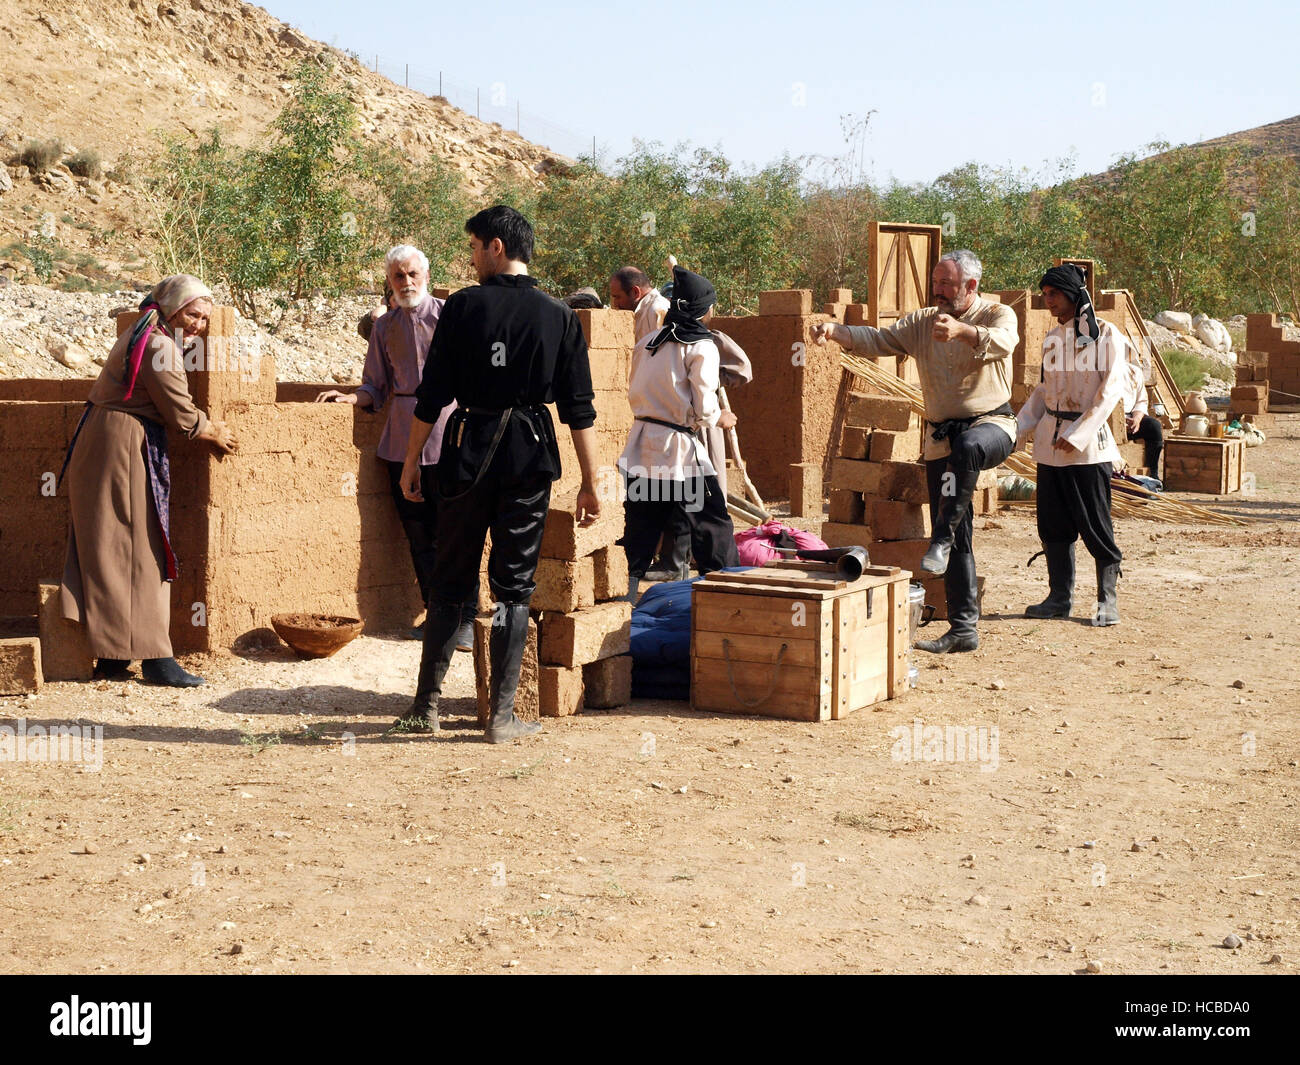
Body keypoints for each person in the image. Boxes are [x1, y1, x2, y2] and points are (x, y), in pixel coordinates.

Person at [398, 206, 601, 741]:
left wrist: (414, 459)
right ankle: (502, 718)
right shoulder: (559, 316)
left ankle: (426, 708)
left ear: (494, 247)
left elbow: (432, 393)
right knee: (514, 587)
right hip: (529, 456)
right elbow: (578, 409)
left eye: (472, 247)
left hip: (466, 451)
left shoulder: (463, 306)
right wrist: (591, 482)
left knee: (451, 577)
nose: (470, 259)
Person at [815, 249, 1018, 654]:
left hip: (992, 426)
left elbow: (1006, 343)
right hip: (942, 437)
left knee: (968, 449)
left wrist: (963, 333)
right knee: (960, 532)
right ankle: (963, 629)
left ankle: (937, 539)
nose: (939, 291)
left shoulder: (996, 315)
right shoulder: (924, 321)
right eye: (936, 283)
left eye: (948, 284)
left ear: (971, 287)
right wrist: (836, 331)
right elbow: (879, 339)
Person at [58, 275, 238, 686]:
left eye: (205, 319)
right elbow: (181, 413)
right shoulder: (160, 346)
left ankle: (114, 655)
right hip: (120, 446)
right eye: (193, 314)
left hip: (106, 441)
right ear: (173, 308)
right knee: (142, 548)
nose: (199, 325)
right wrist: (213, 429)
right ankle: (157, 657)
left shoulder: (145, 332)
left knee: (111, 548)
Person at [316, 246, 476, 647]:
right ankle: (437, 618)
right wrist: (353, 398)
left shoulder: (450, 316)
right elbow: (375, 384)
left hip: (449, 437)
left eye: (412, 275)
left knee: (456, 534)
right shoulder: (385, 327)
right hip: (401, 441)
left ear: (425, 274)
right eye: (398, 277)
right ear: (389, 283)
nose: (406, 283)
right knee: (418, 534)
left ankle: (467, 620)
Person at [619, 266, 740, 601]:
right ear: (703, 309)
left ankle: (625, 597)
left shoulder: (646, 342)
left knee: (642, 524)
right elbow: (703, 408)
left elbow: (636, 391)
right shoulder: (702, 346)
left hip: (642, 448)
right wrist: (720, 418)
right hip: (679, 455)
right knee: (712, 524)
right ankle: (727, 594)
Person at [1017, 264, 1129, 625]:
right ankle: (1058, 598)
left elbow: (1110, 391)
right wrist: (1016, 429)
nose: (1048, 300)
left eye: (1054, 293)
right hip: (1051, 445)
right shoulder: (1051, 338)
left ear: (1073, 294)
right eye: (1045, 294)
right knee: (1052, 524)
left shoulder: (1108, 337)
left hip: (1088, 447)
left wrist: (1079, 434)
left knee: (1095, 524)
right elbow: (1043, 391)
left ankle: (1106, 600)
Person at [608, 265, 670, 344]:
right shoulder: (641, 311)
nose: (615, 303)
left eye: (618, 297)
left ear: (635, 292)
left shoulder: (658, 310)